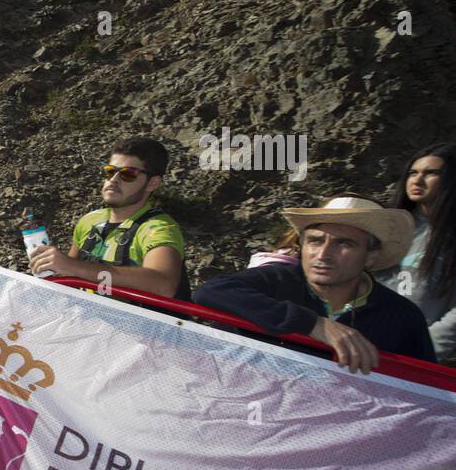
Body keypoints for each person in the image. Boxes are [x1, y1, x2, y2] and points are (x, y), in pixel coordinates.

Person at [195, 196, 433, 371]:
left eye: (344, 244)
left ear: (370, 256)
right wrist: (313, 324)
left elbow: (427, 389)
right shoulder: (276, 279)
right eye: (315, 241)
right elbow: (209, 291)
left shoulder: (403, 317)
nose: (323, 254)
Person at [26, 137, 189, 300]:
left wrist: (73, 266)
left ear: (152, 183)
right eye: (110, 171)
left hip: (134, 324)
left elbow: (163, 285)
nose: (113, 179)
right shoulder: (89, 221)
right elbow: (70, 274)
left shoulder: (158, 228)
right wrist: (51, 264)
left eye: (128, 174)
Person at [378, 143, 456, 361]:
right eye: (413, 172)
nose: (418, 180)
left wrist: (421, 349)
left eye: (431, 173)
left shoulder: (450, 239)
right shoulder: (385, 227)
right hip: (361, 340)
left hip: (413, 354)